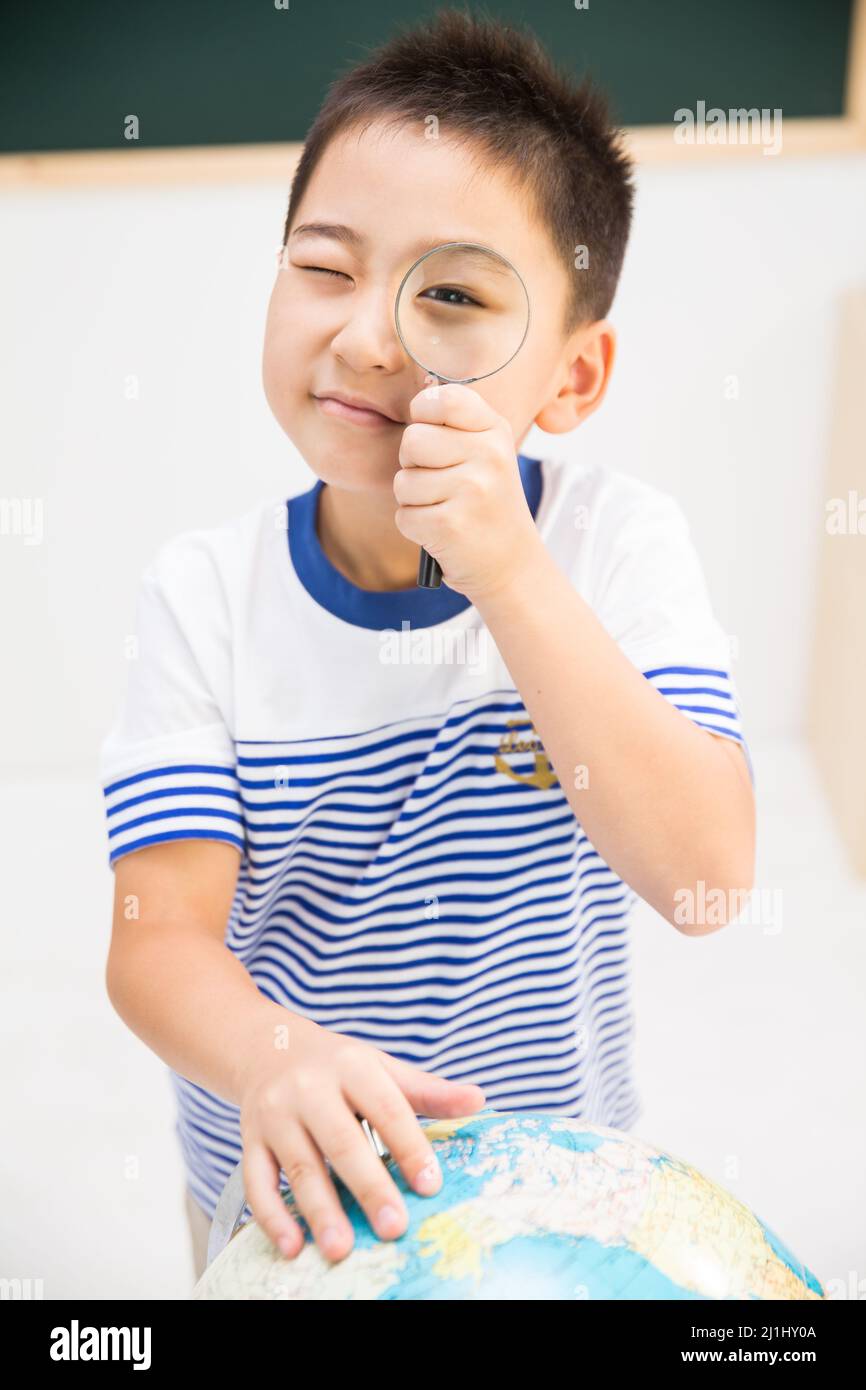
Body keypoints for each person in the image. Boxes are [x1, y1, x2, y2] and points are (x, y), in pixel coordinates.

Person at [99, 10, 756, 1286]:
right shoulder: (204, 594)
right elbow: (155, 938)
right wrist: (274, 1060)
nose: (366, 338)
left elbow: (705, 882)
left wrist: (508, 573)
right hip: (294, 1193)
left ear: (568, 379)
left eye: (449, 294)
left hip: (550, 1183)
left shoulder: (615, 547)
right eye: (324, 267)